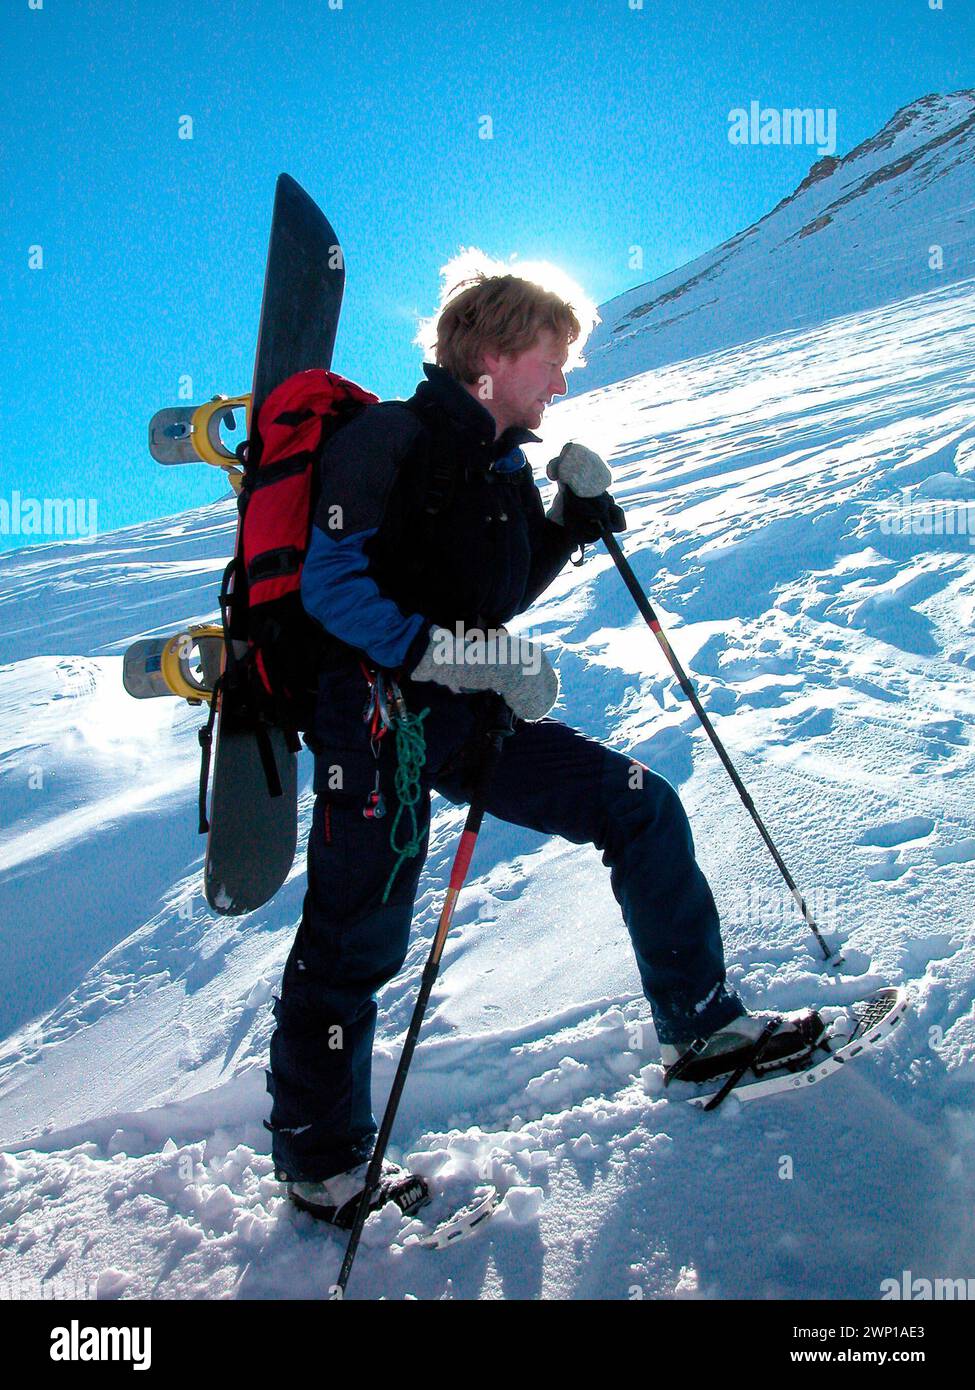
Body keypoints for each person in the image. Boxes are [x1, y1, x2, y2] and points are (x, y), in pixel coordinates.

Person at [266, 271, 823, 1227]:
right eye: (549, 360)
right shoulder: (387, 442)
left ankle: (700, 1031)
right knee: (356, 938)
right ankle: (322, 1166)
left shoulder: (500, 467)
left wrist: (566, 521)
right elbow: (332, 589)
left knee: (637, 801)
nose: (560, 383)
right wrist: (454, 654)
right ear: (490, 357)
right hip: (374, 719)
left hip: (462, 712)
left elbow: (501, 595)